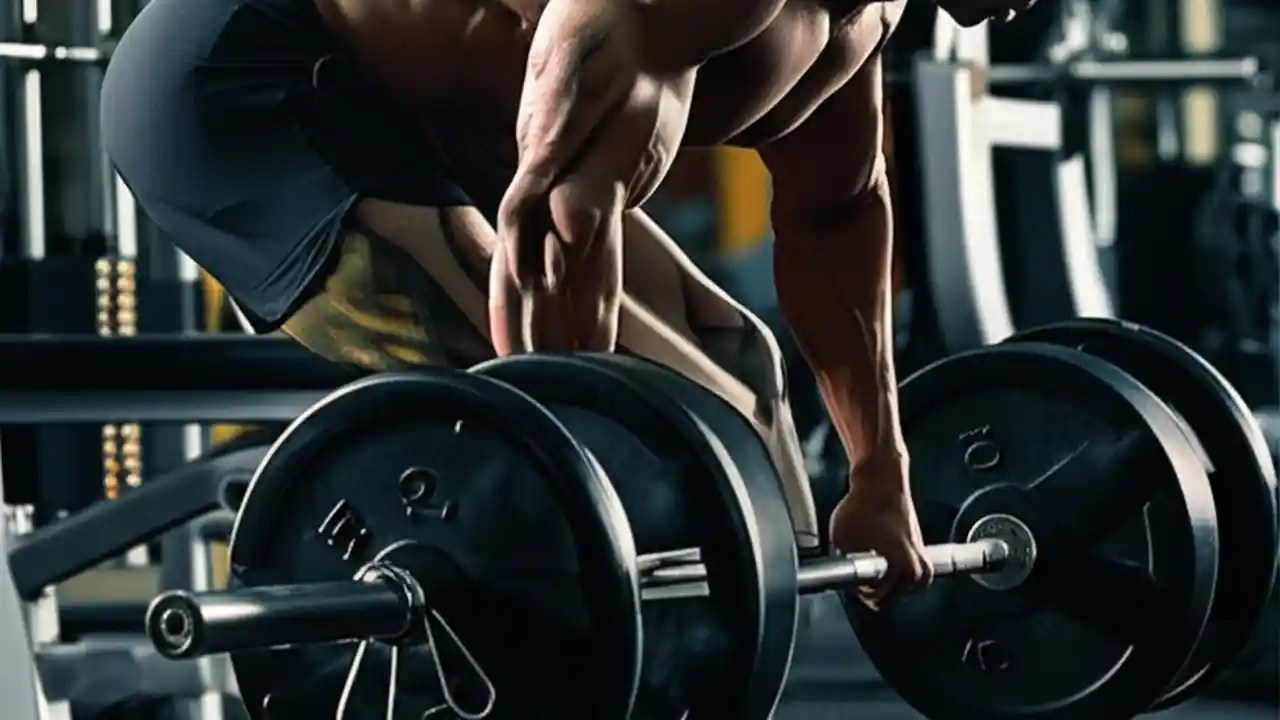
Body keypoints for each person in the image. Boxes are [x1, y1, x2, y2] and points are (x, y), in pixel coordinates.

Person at [101, 0, 1035, 607]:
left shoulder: (862, 15)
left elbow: (837, 218)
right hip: (247, 88)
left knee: (742, 374)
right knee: (671, 446)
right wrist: (587, 523)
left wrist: (880, 477)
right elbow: (551, 246)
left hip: (421, 110)